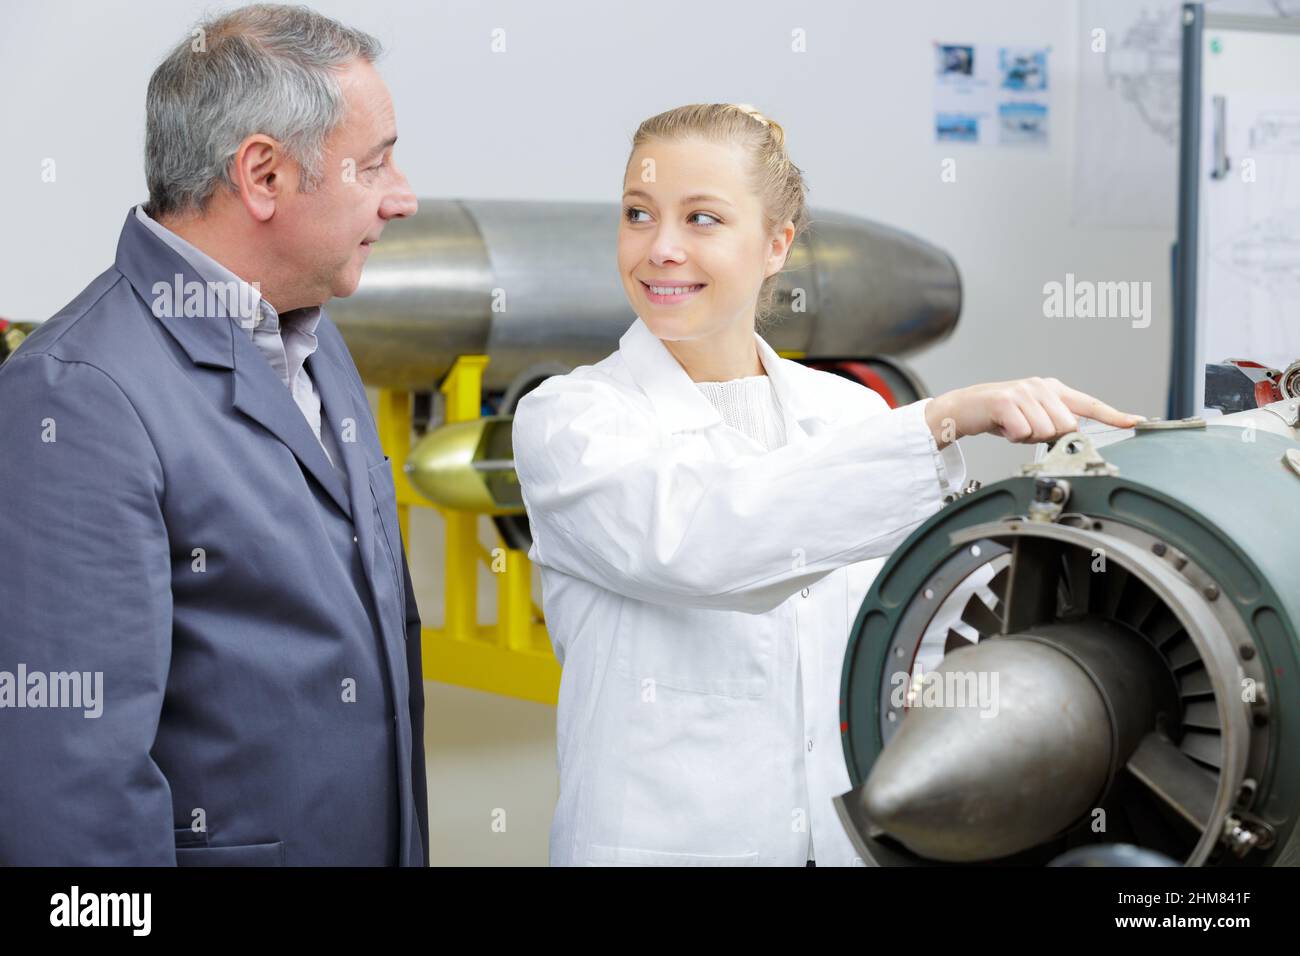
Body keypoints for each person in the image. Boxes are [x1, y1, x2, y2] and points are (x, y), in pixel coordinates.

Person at [511, 102, 1144, 867]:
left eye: (702, 218)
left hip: (843, 844)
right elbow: (699, 543)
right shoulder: (570, 419)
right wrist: (941, 418)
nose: (661, 248)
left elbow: (916, 629)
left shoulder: (846, 413)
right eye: (638, 214)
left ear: (776, 245)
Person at [0, 5, 425, 865]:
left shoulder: (311, 333)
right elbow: (71, 785)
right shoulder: (78, 397)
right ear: (262, 175)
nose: (402, 196)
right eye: (373, 162)